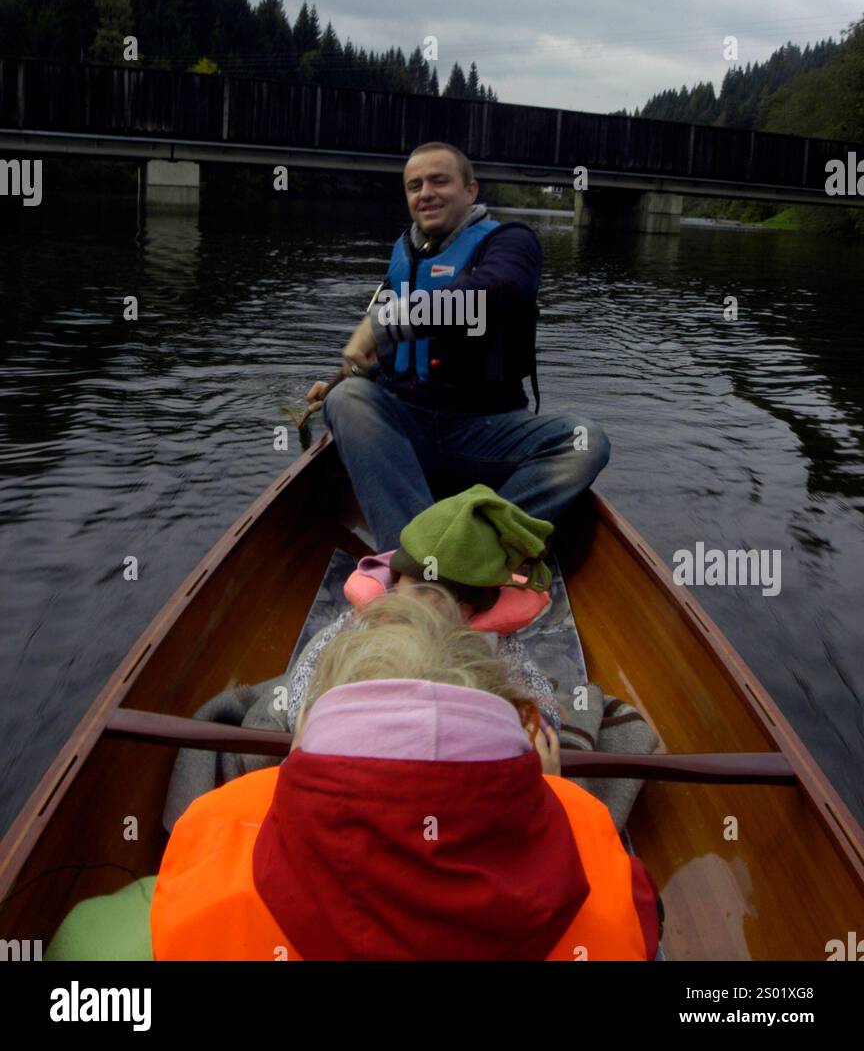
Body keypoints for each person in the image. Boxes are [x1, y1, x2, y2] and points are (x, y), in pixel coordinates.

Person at [150, 592, 660, 961]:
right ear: (519, 735)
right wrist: (551, 791)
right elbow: (643, 919)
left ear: (307, 737)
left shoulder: (214, 834)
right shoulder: (591, 841)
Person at [306, 141, 610, 550]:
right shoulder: (403, 256)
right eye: (415, 186)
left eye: (439, 181)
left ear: (470, 191)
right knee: (346, 399)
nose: (425, 193)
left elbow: (495, 294)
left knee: (586, 440)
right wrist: (344, 380)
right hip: (409, 423)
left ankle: (467, 549)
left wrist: (383, 323)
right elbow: (381, 354)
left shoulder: (512, 243)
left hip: (486, 431)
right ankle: (414, 556)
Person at [278, 484, 562, 739]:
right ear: (397, 579)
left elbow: (536, 692)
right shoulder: (365, 619)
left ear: (479, 605)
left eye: (454, 596)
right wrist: (309, 716)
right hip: (366, 729)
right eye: (421, 587)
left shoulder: (497, 642)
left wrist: (539, 728)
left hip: (456, 736)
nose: (431, 606)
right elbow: (310, 667)